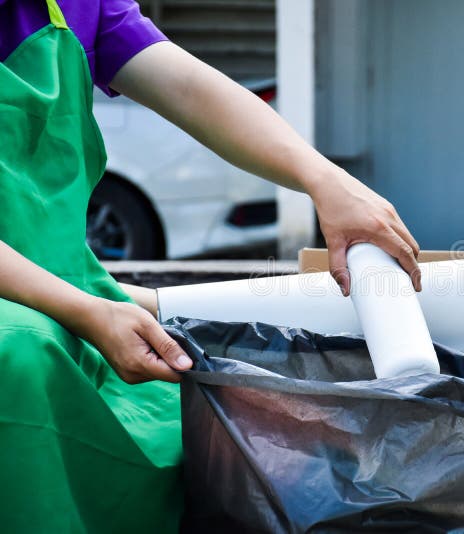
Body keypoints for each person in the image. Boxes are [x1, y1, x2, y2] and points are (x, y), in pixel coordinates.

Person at [0, 0, 420, 531]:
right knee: (20, 363)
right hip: (34, 324)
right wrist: (83, 311)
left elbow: (191, 89)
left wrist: (326, 181)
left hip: (76, 306)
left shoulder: (81, 7)